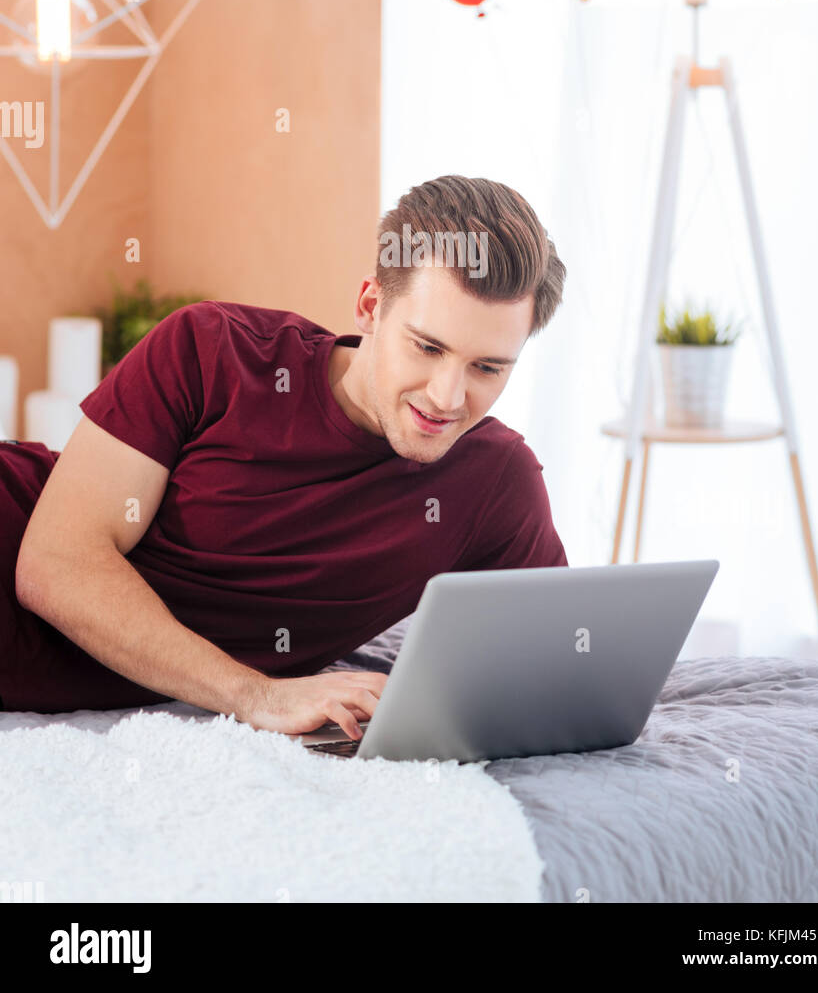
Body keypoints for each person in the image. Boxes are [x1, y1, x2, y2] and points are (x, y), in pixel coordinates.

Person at [3, 175, 567, 736]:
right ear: (370, 306)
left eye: (487, 368)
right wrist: (255, 695)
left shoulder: (495, 483)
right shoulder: (212, 348)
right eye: (427, 347)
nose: (447, 397)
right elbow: (55, 564)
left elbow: (562, 664)